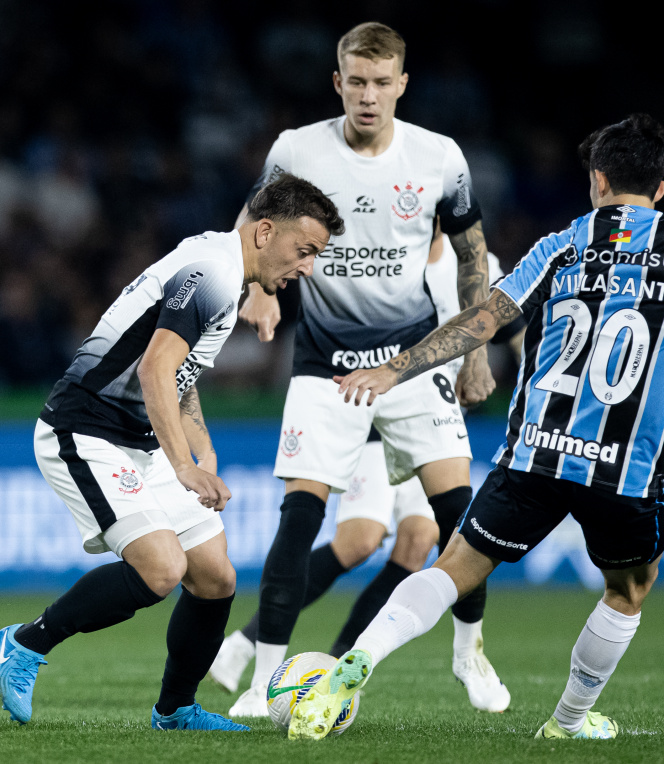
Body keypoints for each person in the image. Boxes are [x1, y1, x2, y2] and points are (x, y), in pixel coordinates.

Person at [287, 113, 664, 742]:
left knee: (449, 571)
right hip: (624, 468)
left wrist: (396, 367)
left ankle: (352, 666)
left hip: (535, 456)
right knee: (629, 588)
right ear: (660, 189)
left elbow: (480, 320)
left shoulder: (560, 245)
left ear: (597, 180)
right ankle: (568, 722)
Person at [223, 21, 508, 717]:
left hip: (412, 364)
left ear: (402, 85)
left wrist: (473, 353)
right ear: (337, 82)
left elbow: (473, 257)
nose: (368, 96)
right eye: (356, 82)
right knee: (300, 521)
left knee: (457, 520)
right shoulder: (297, 148)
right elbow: (251, 221)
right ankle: (261, 683)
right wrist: (258, 288)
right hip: (323, 365)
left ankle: (468, 653)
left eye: (382, 83)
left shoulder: (439, 158)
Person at [0, 174, 344, 731]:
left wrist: (201, 452)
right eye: (305, 251)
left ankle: (175, 710)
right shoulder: (215, 273)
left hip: (138, 439)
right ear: (265, 231)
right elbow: (156, 369)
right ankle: (24, 643)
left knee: (215, 577)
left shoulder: (220, 266)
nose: (308, 267)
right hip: (85, 429)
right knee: (161, 569)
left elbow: (179, 372)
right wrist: (183, 467)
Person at [211, 234, 524, 712]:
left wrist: (528, 368)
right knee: (359, 540)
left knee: (425, 538)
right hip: (368, 402)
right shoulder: (382, 251)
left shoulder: (476, 262)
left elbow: (507, 322)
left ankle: (340, 668)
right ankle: (247, 642)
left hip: (429, 405)